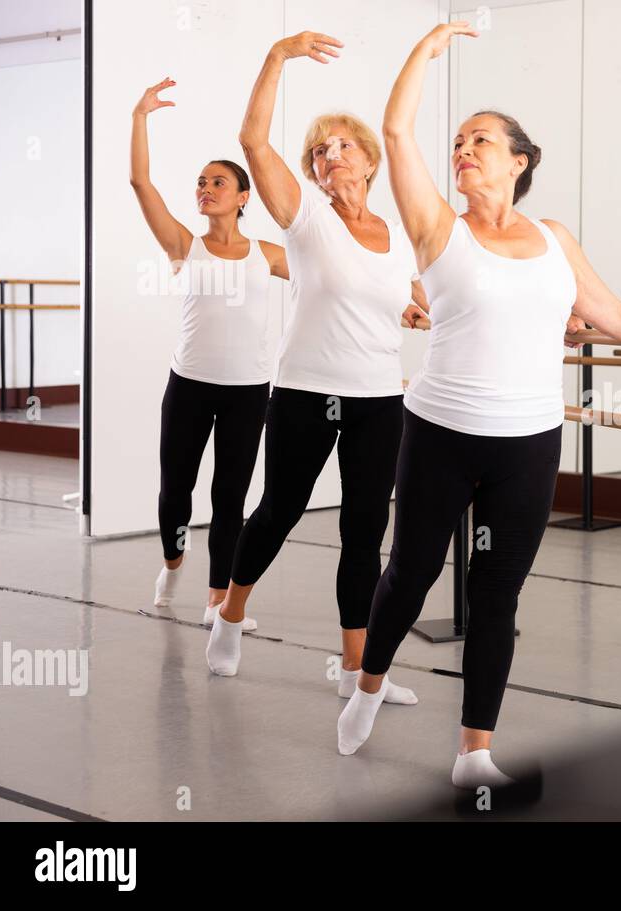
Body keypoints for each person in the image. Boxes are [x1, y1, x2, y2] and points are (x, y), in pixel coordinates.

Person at [335, 22, 621, 788]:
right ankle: (365, 683)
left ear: (520, 161)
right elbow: (395, 130)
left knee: (498, 594)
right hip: (439, 434)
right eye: (458, 140)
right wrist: (424, 52)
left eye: (481, 140)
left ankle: (474, 752)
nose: (464, 149)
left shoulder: (555, 237)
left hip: (526, 444)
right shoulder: (438, 228)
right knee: (411, 574)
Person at [205, 33, 429, 711]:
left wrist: (413, 313)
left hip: (377, 400)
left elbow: (407, 301)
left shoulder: (396, 236)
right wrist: (275, 55)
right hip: (306, 393)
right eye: (318, 151)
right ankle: (231, 615)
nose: (330, 156)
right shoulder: (306, 218)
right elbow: (251, 140)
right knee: (279, 510)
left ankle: (355, 666)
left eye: (341, 145)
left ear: (367, 157)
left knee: (365, 530)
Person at [131, 77, 286, 630]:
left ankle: (218, 599)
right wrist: (140, 116)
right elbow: (140, 181)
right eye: (200, 182)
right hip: (190, 385)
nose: (206, 189)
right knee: (176, 490)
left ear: (244, 197)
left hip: (248, 390)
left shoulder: (267, 254)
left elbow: (335, 282)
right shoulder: (183, 245)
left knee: (229, 497)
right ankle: (173, 564)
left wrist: (406, 306)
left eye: (218, 182)